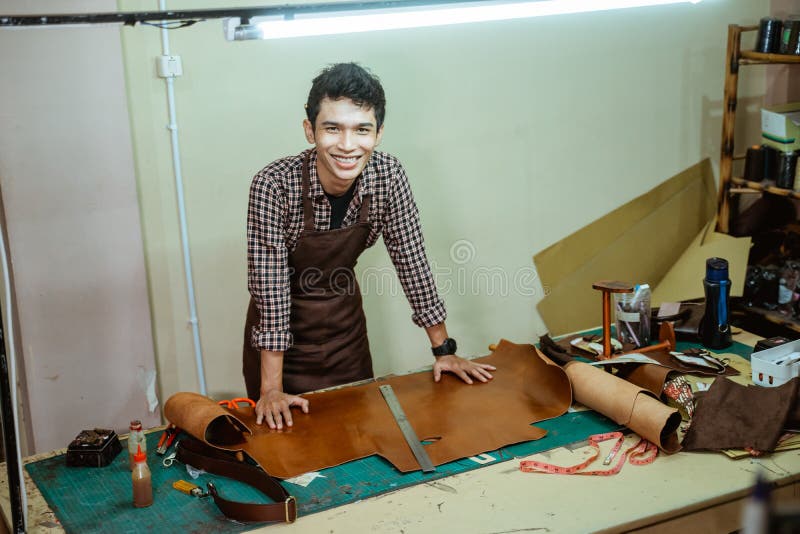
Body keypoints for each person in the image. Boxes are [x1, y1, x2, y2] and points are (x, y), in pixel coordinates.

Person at [244, 62, 495, 429]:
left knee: (357, 433)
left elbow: (413, 263)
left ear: (378, 134)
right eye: (332, 128)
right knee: (289, 450)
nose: (347, 145)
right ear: (309, 131)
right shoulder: (273, 186)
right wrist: (271, 388)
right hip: (279, 348)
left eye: (362, 130)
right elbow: (271, 292)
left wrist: (444, 351)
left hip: (347, 335)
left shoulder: (388, 177)